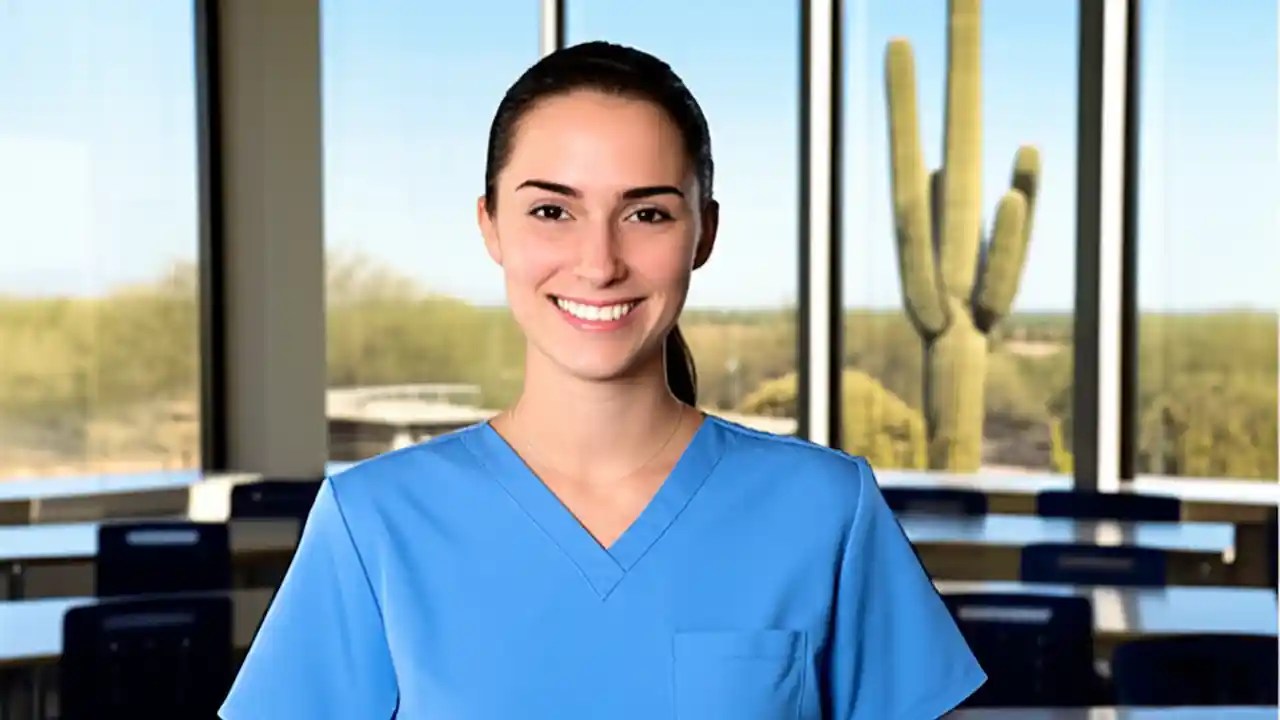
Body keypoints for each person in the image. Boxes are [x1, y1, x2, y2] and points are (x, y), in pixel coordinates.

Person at [219, 40, 984, 719]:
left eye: (646, 215)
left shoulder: (826, 510)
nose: (598, 262)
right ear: (489, 225)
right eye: (552, 210)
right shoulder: (374, 522)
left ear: (703, 234)